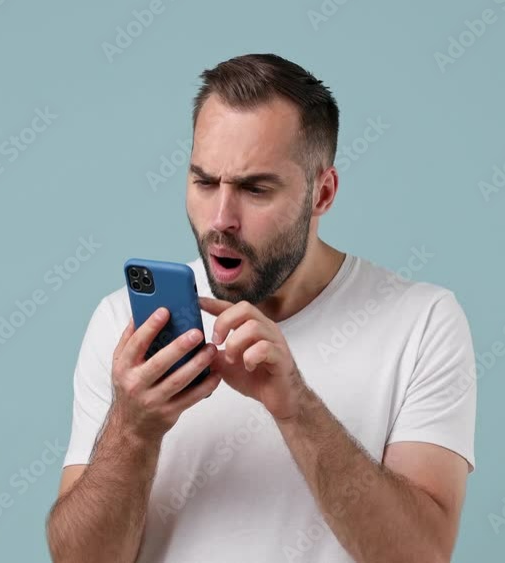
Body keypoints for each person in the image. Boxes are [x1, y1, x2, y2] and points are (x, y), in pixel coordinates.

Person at [46, 53, 477, 563]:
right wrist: (133, 430)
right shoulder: (126, 325)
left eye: (255, 189)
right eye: (205, 182)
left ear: (323, 192)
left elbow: (422, 555)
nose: (221, 219)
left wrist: (296, 407)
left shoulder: (421, 322)